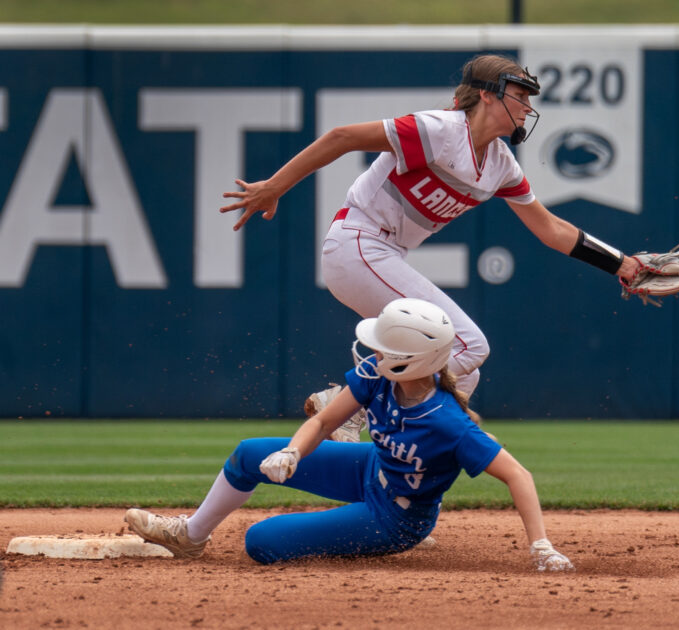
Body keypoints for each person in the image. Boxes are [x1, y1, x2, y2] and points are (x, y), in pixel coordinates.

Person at [219, 53, 640, 442]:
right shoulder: (439, 130)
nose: (528, 106)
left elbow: (550, 229)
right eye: (519, 94)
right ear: (487, 96)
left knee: (461, 381)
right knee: (469, 346)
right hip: (357, 244)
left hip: (382, 254)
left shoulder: (499, 164)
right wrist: (274, 186)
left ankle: (395, 483)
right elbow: (342, 136)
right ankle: (352, 404)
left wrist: (622, 263)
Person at [124, 297, 574, 570]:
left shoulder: (447, 421)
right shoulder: (379, 375)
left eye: (385, 346)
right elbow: (322, 421)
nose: (375, 349)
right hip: (369, 469)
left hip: (397, 519)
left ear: (409, 361)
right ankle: (191, 537)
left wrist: (541, 546)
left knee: (259, 543)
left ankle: (356, 530)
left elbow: (519, 475)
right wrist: (294, 452)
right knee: (247, 454)